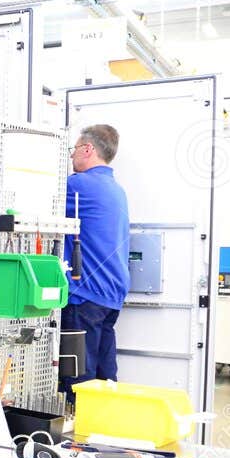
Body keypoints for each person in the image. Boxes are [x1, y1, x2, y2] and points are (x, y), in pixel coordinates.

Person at [62, 124, 130, 390]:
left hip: (85, 294)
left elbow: (36, 199)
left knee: (78, 377)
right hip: (111, 294)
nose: (71, 156)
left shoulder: (79, 184)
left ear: (88, 149)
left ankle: (77, 428)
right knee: (104, 374)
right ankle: (103, 428)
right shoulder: (116, 189)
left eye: (74, 149)